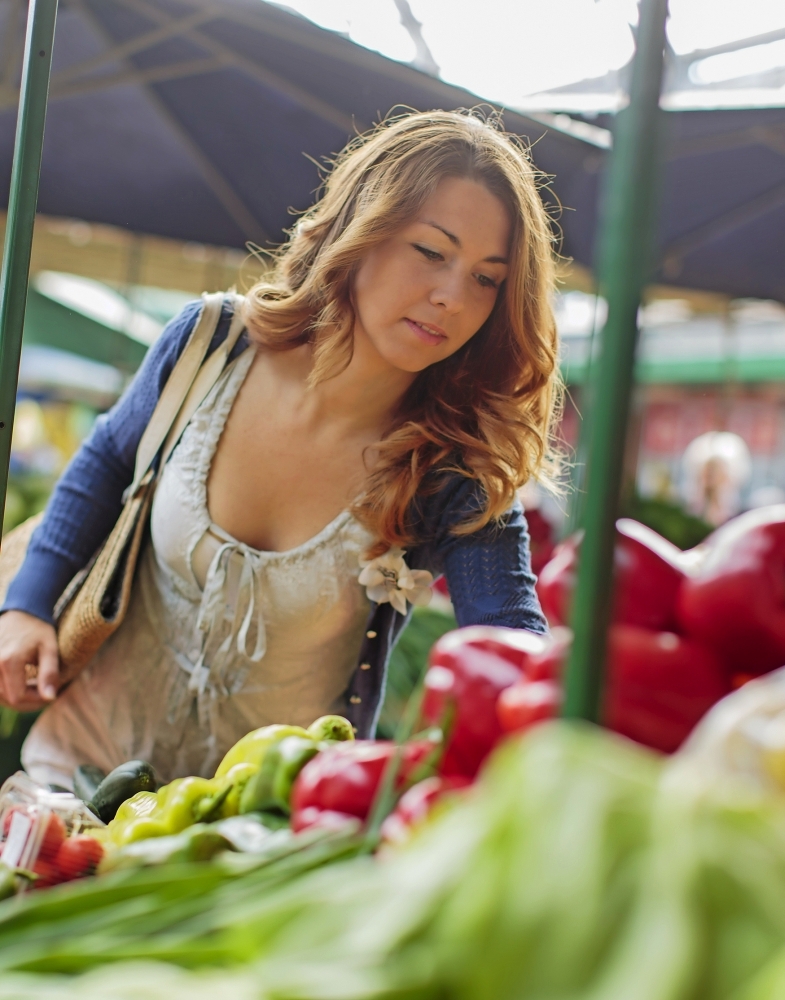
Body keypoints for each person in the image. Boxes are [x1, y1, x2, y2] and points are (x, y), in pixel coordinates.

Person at [0, 111, 559, 787]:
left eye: (486, 279)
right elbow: (108, 460)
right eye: (432, 252)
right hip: (69, 779)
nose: (451, 297)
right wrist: (27, 604)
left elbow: (509, 640)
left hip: (262, 843)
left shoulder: (451, 469)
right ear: (362, 228)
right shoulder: (209, 344)